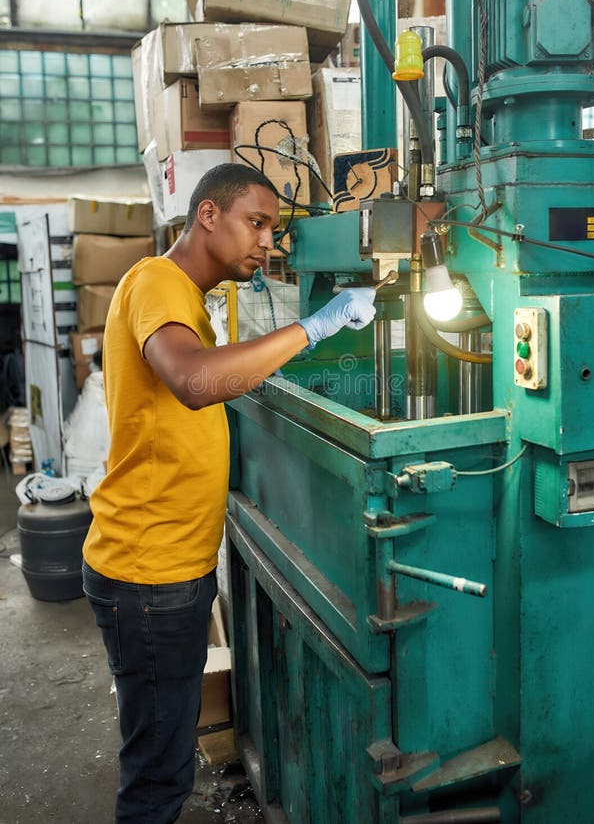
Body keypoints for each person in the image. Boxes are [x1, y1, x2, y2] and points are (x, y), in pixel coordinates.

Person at [81, 162, 376, 824]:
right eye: (256, 223)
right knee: (158, 776)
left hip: (162, 566)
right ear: (208, 216)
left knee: (163, 753)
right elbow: (192, 381)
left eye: (272, 228)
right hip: (147, 575)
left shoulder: (186, 297)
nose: (267, 242)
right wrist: (316, 326)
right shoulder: (157, 280)